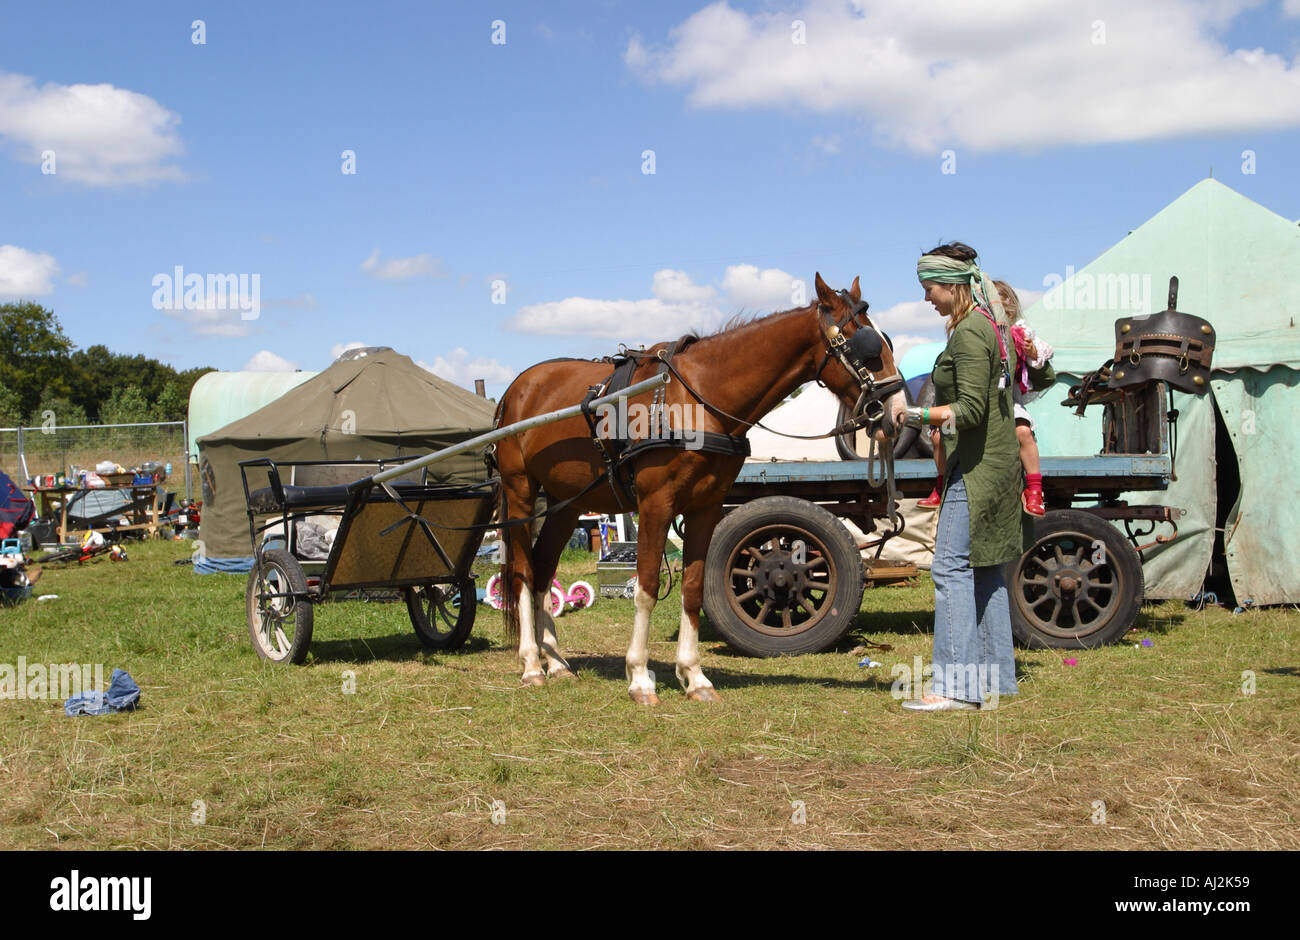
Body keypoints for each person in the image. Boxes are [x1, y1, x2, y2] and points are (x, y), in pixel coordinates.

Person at [897, 243, 1024, 711]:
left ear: (951, 285)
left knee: (949, 570)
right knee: (985, 570)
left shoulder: (971, 333)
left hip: (975, 471)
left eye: (929, 288)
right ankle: (995, 679)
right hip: (995, 468)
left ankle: (956, 688)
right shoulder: (992, 326)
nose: (927, 298)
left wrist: (912, 416)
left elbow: (968, 411)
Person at [994, 280, 1055, 516]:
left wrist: (1031, 353)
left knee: (1022, 431)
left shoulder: (1018, 332)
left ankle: (1035, 488)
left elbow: (1044, 364)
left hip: (1009, 400)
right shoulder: (975, 331)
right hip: (986, 403)